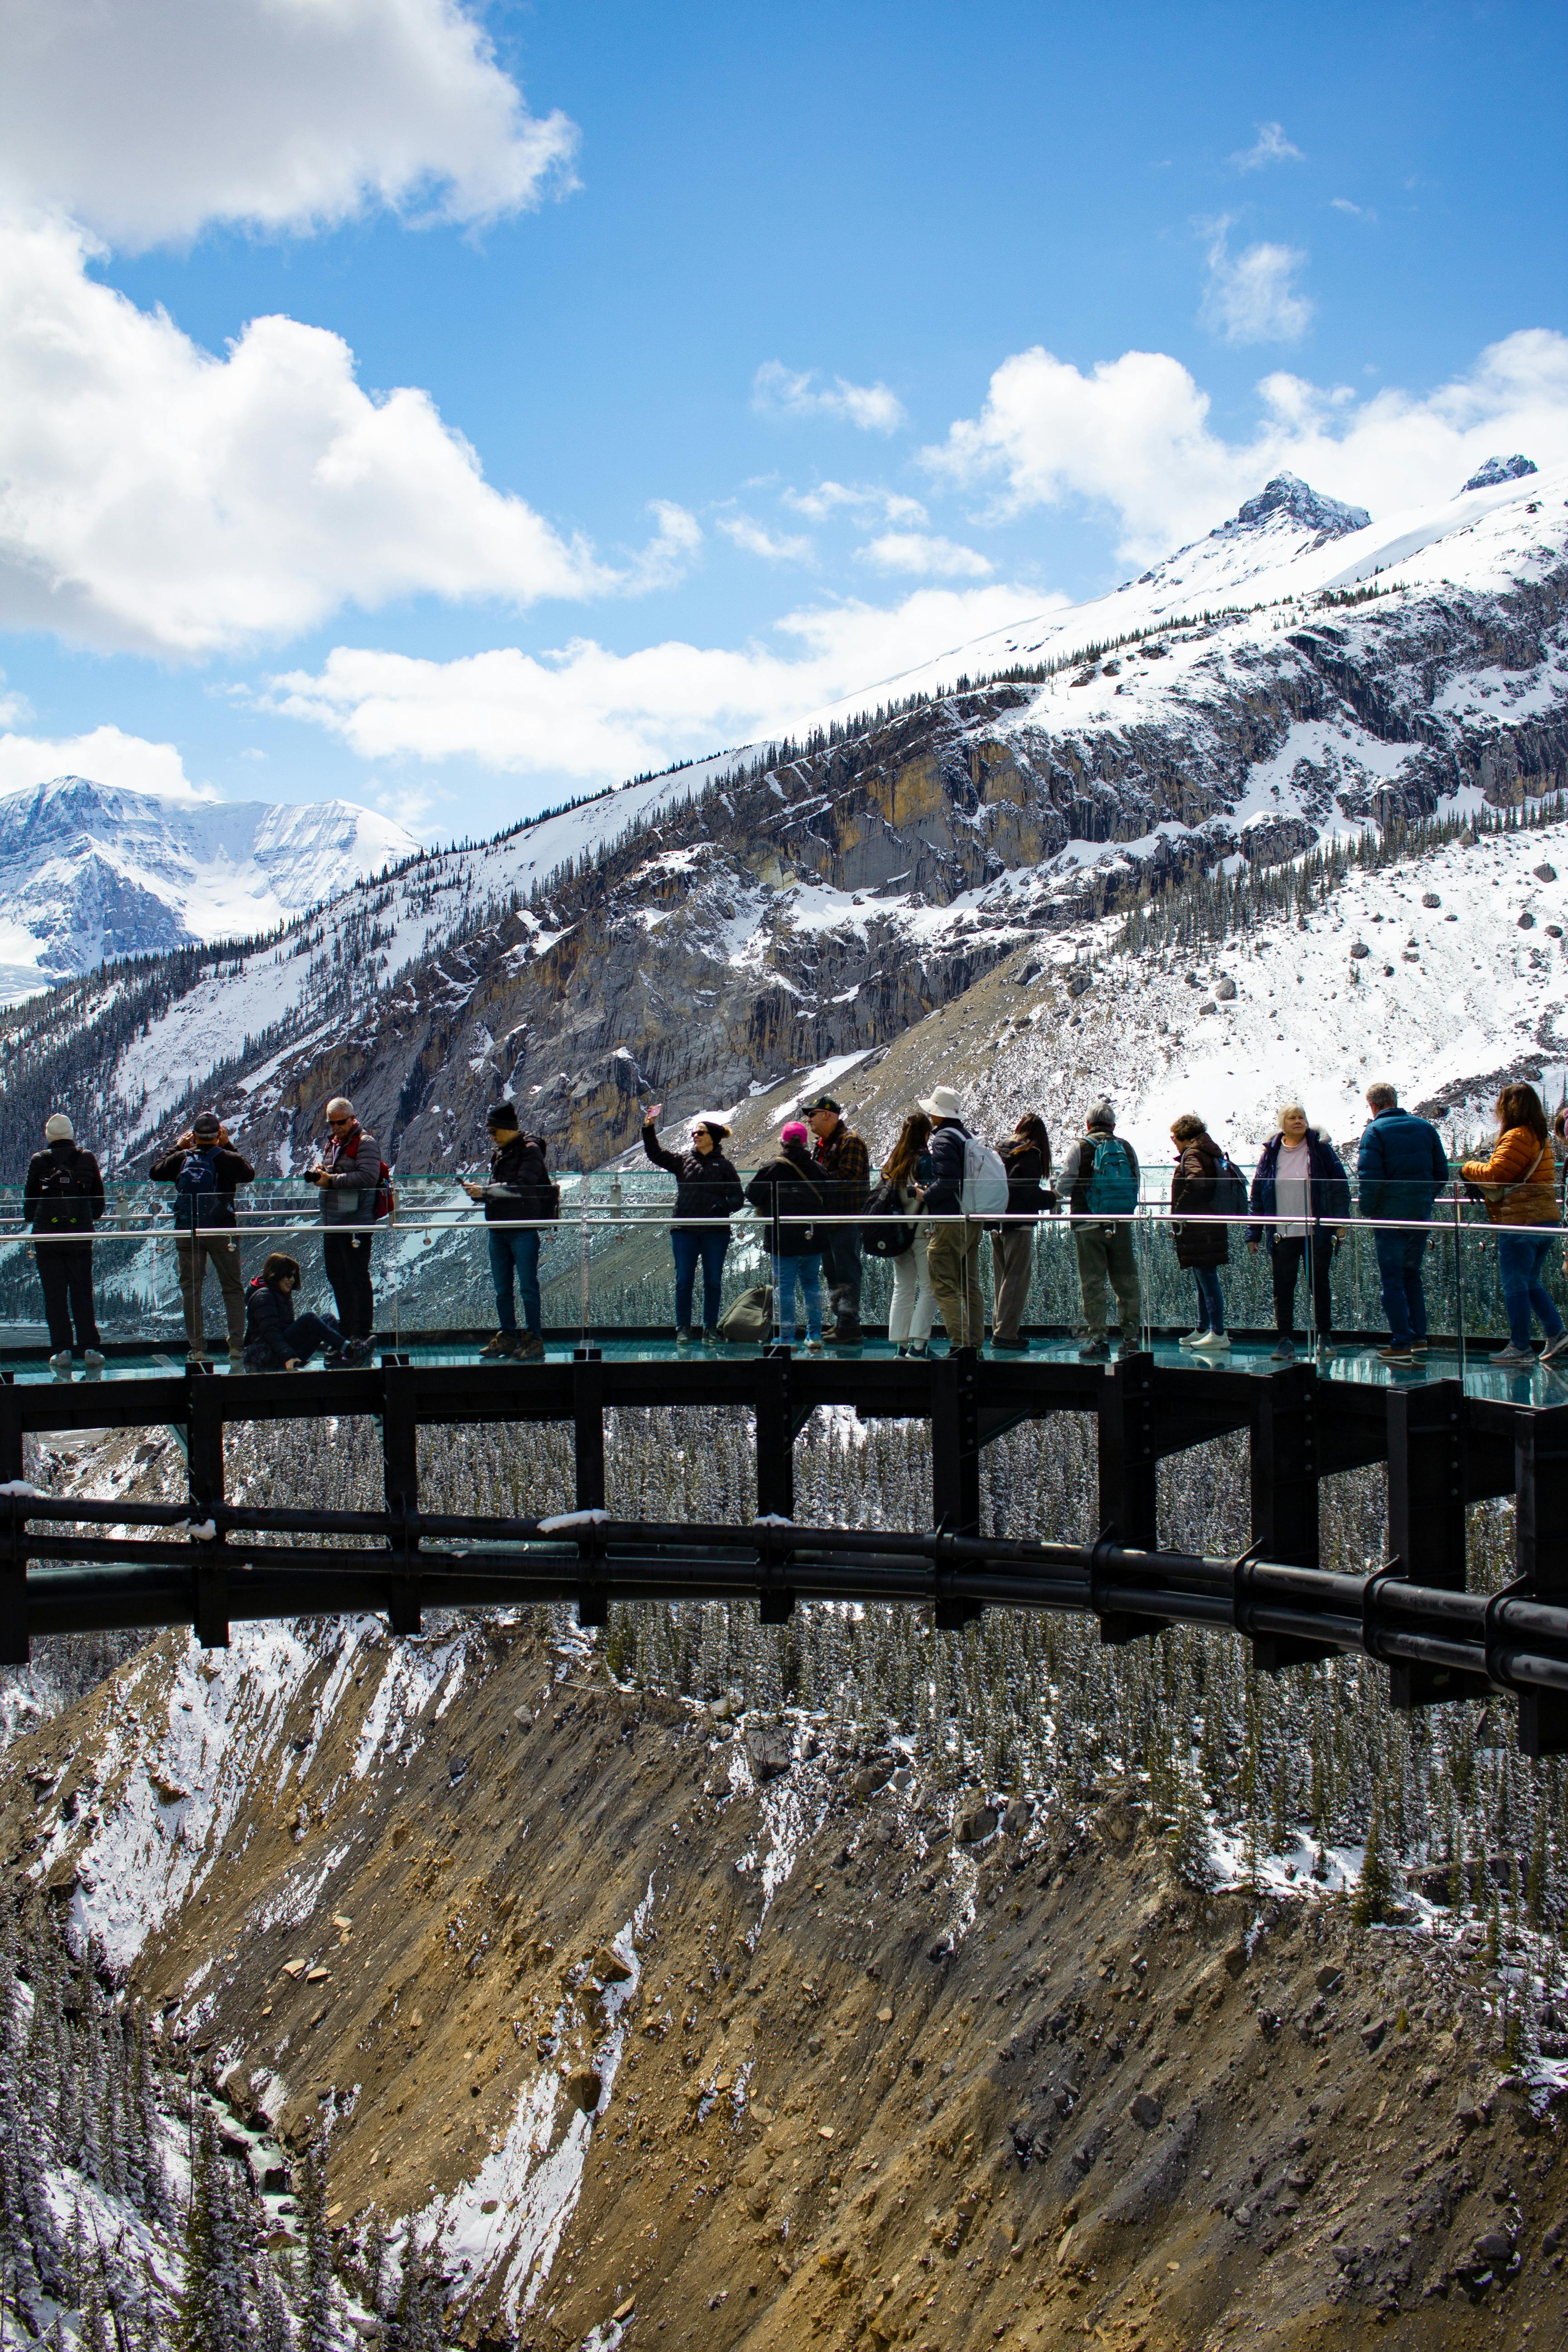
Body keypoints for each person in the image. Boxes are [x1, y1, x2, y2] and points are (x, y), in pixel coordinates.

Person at [1461, 1082, 1567, 1369]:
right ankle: (1556, 1333)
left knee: (1514, 1283)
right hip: (1543, 1219)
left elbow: (1496, 1175)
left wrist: (1467, 1168)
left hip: (1520, 1221)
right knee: (1530, 1281)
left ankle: (1520, 1346)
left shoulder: (1518, 1136)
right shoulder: (1538, 1136)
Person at [1356, 1083, 1451, 1367]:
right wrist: (1423, 1199)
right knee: (1412, 1275)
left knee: (1392, 1280)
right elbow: (1441, 1173)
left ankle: (1400, 1343)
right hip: (1420, 1216)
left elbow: (1370, 1179)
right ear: (1395, 1101)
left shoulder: (1375, 1132)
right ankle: (1418, 1338)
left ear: (1372, 1106)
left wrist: (1369, 1210)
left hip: (1389, 1218)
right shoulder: (1425, 1127)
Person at [148, 1110, 255, 1363]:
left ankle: (198, 1349)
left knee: (192, 1290)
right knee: (232, 1287)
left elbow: (155, 1172)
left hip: (189, 1231)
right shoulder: (228, 1158)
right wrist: (228, 1143)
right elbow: (248, 1173)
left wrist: (177, 1147)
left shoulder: (181, 1158)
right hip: (222, 1231)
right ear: (218, 1135)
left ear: (194, 1136)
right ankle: (237, 1347)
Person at [1246, 1103, 1350, 1359]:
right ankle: (1285, 1341)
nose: (1298, 1122)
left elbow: (1339, 1186)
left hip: (1316, 1232)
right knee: (1283, 1289)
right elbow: (1258, 1195)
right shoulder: (1271, 1154)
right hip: (1282, 1234)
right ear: (1282, 1123)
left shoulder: (1319, 1149)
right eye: (1292, 1118)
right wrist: (1254, 1233)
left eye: (1301, 1117)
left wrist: (1341, 1222)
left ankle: (1325, 1338)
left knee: (1320, 1285)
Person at [641, 1110, 744, 1344]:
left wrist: (723, 1206)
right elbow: (655, 1153)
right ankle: (683, 1329)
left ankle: (710, 1329)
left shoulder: (725, 1166)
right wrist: (648, 1128)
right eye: (693, 1132)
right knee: (684, 1281)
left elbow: (738, 1198)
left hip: (715, 1232)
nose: (694, 1136)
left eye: (700, 1132)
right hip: (684, 1230)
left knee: (713, 1282)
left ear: (713, 1138)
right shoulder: (682, 1161)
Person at [461, 1104, 554, 1360]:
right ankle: (509, 1336)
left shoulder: (530, 1151)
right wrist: (480, 1194)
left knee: (527, 1287)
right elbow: (503, 1191)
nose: (491, 1136)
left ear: (506, 1128)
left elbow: (524, 1188)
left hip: (522, 1230)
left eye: (494, 1131)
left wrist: (486, 1193)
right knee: (502, 1289)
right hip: (499, 1230)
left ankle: (534, 1338)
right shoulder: (500, 1154)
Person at [1058, 1101, 1142, 1361]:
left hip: (1088, 1224)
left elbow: (1065, 1184)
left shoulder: (1080, 1147)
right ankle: (1132, 1339)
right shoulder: (1126, 1147)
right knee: (1126, 1282)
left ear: (1088, 1125)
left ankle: (1098, 1339)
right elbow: (1135, 1181)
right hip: (1120, 1223)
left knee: (1093, 1283)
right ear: (1114, 1126)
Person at [24, 1112, 106, 1375]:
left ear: (49, 1136)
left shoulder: (39, 1162)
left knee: (55, 1295)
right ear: (71, 1134)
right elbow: (99, 1206)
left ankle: (62, 1351)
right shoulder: (87, 1158)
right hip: (80, 1238)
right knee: (82, 1291)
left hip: (47, 1239)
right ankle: (91, 1349)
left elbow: (29, 1209)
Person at [304, 1096, 380, 1366]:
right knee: (338, 1278)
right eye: (332, 1123)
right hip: (333, 1222)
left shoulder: (366, 1144)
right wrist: (323, 1173)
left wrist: (331, 1180)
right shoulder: (333, 1145)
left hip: (356, 1223)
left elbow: (368, 1178)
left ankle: (362, 1333)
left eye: (340, 1122)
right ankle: (347, 1334)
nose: (336, 1128)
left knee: (357, 1278)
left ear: (352, 1119)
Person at [743, 1121, 827, 1353]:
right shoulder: (817, 1168)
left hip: (783, 1239)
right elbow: (830, 1195)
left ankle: (786, 1337)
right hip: (813, 1236)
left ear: (783, 1142)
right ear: (805, 1143)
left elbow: (752, 1194)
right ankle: (815, 1334)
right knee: (811, 1284)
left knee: (785, 1288)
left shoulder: (773, 1168)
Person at [919, 1088, 985, 1350]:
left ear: (937, 1112)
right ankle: (976, 1344)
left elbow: (947, 1182)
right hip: (971, 1218)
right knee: (970, 1286)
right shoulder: (965, 1136)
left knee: (944, 1285)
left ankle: (962, 1346)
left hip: (950, 1221)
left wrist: (926, 1196)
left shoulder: (944, 1139)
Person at [805, 1096, 871, 1343]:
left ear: (828, 1115)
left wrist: (817, 1181)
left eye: (813, 1114)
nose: (809, 1119)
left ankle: (850, 1325)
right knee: (833, 1274)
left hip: (847, 1218)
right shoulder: (821, 1145)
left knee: (847, 1272)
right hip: (827, 1220)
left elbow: (850, 1179)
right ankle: (841, 1323)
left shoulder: (850, 1141)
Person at [1170, 1113, 1231, 1352]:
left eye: (1175, 1136)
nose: (1173, 1140)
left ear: (1186, 1135)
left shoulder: (1193, 1154)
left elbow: (1196, 1180)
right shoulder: (1207, 1151)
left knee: (1206, 1277)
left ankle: (1217, 1331)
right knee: (1203, 1277)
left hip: (1200, 1227)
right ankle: (1203, 1328)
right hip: (1210, 1224)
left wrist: (1181, 1210)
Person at [877, 1110, 936, 1356]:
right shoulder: (924, 1161)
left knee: (903, 1287)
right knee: (930, 1287)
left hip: (897, 1233)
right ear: (925, 1135)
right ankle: (919, 1345)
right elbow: (933, 1193)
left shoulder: (893, 1162)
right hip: (922, 1231)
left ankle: (901, 1346)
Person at [991, 1114, 1051, 1350]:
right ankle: (1006, 1334)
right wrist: (1052, 1197)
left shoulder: (1001, 1151)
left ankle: (999, 1327)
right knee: (1016, 1280)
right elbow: (1027, 1193)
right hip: (1019, 1224)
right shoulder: (1030, 1154)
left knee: (1002, 1280)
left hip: (995, 1221)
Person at [242, 1254, 345, 1371]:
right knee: (309, 1318)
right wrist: (288, 1355)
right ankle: (350, 1350)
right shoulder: (264, 1296)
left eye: (294, 1276)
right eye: (288, 1275)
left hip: (281, 1350)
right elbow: (270, 1333)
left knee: (328, 1319)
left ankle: (335, 1358)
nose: (292, 1279)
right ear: (276, 1274)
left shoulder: (279, 1293)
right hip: (267, 1356)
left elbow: (284, 1328)